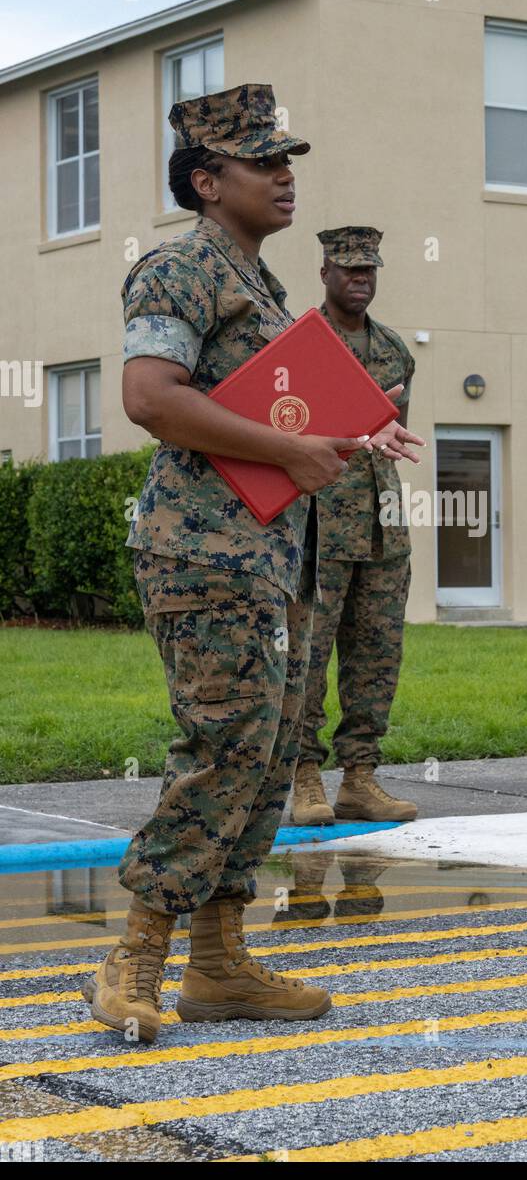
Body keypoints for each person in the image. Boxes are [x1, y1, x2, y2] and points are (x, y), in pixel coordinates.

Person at [83, 85, 422, 1043]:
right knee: (226, 746)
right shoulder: (179, 268)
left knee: (270, 757)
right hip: (203, 553)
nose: (285, 176)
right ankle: (133, 957)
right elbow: (151, 396)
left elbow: (271, 416)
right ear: (204, 179)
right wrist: (288, 451)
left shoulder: (264, 287)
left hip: (272, 556)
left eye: (289, 160)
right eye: (264, 161)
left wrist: (351, 428)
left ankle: (220, 963)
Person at [291, 227, 418, 826]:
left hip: (382, 530)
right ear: (324, 275)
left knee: (376, 658)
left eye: (368, 270)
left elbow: (391, 438)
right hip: (317, 529)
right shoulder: (298, 346)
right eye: (347, 270)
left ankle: (360, 779)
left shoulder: (395, 351)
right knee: (308, 658)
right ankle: (304, 777)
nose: (359, 279)